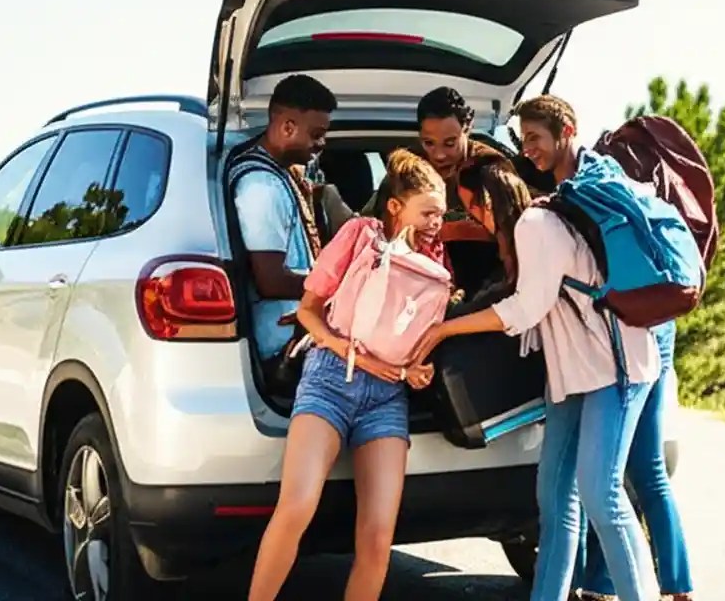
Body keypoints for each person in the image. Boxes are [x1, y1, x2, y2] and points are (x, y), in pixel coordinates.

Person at [406, 95, 661, 601]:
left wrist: (442, 332)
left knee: (602, 495)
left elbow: (524, 310)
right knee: (554, 497)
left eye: (468, 207)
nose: (465, 219)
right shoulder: (518, 236)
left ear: (484, 202)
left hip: (614, 369)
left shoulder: (534, 226)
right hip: (570, 376)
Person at [247, 149, 450, 601]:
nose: (438, 221)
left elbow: (420, 333)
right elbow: (309, 310)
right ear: (396, 207)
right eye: (429, 211)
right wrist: (347, 349)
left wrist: (416, 366)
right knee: (297, 506)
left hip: (387, 396)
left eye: (441, 211)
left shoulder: (435, 264)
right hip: (330, 379)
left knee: (378, 537)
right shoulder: (360, 235)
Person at [364, 86, 552, 297]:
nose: (439, 155)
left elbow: (515, 245)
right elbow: (375, 229)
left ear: (467, 128)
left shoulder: (491, 171)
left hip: (484, 285)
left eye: (450, 143)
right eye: (429, 143)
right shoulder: (405, 173)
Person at [577, 319, 694, 600]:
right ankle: (679, 586)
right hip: (659, 326)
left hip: (628, 336)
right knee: (647, 472)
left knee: (607, 474)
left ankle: (600, 583)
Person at [229, 74, 336, 365]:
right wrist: (337, 291)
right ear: (288, 127)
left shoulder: (282, 175)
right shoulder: (262, 187)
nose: (321, 143)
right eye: (316, 134)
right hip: (282, 338)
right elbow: (271, 281)